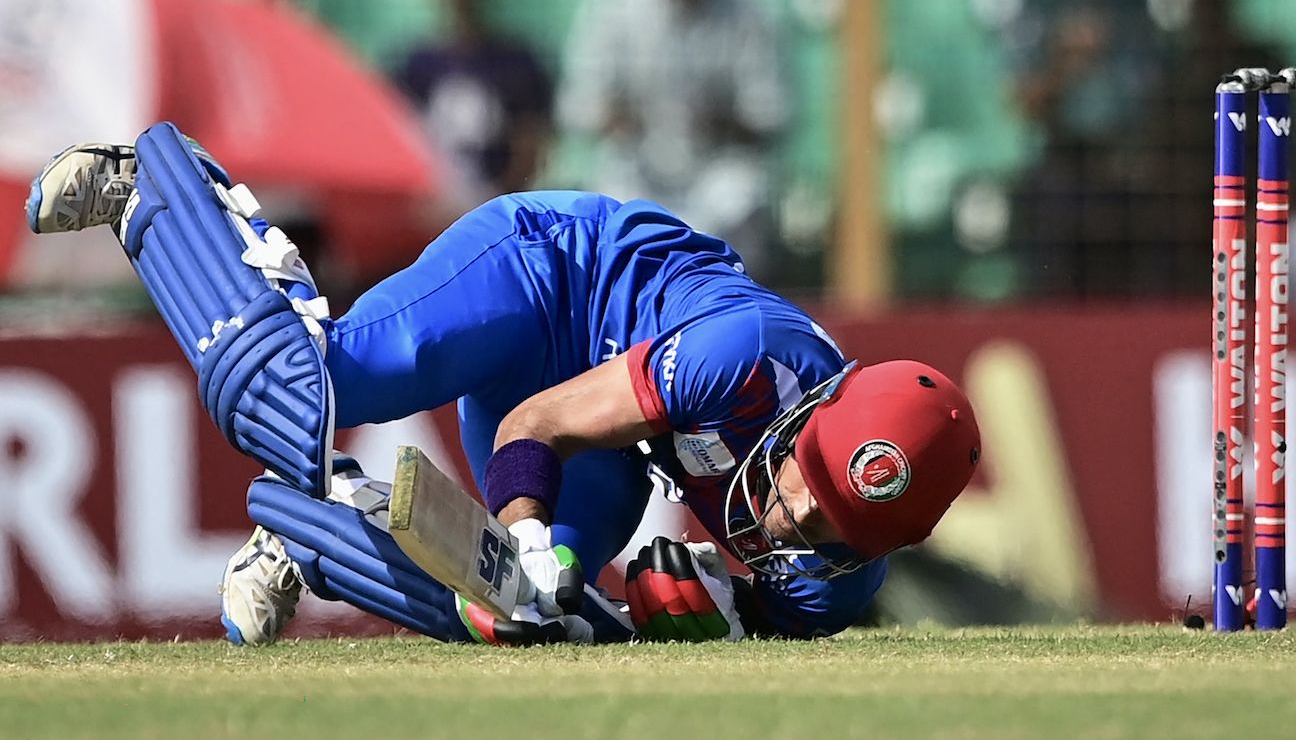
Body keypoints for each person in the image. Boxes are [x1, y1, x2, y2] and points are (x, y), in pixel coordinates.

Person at [25, 129, 981, 644]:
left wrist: (697, 613)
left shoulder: (844, 574)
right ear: (815, 410)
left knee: (533, 613)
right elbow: (542, 419)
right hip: (550, 276)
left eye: (825, 530)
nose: (786, 522)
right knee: (318, 384)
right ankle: (154, 187)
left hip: (611, 423)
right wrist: (517, 529)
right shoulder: (741, 352)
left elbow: (745, 622)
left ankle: (307, 537)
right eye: (803, 481)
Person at [556, 0, 788, 280]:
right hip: (638, 166)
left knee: (742, 199)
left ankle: (723, 309)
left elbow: (770, 112)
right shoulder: (616, 6)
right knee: (612, 200)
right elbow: (580, 104)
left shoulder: (744, 12)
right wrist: (622, 116)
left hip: (713, 168)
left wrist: (718, 121)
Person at [1004, 0, 1165, 297]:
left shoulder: (1128, 2)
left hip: (1121, 166)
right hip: (1061, 163)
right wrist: (1066, 62)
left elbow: (1153, 91)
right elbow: (1023, 100)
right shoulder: (1037, 2)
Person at [1151, 0, 1287, 295]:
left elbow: (1287, 147)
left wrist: (1263, 209)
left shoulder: (1264, 61)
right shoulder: (1166, 67)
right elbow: (1155, 152)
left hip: (1255, 203)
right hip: (1181, 211)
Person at [390, 0, 553, 207]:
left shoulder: (516, 63)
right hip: (429, 206)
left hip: (491, 203)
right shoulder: (413, 66)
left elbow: (530, 142)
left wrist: (500, 204)